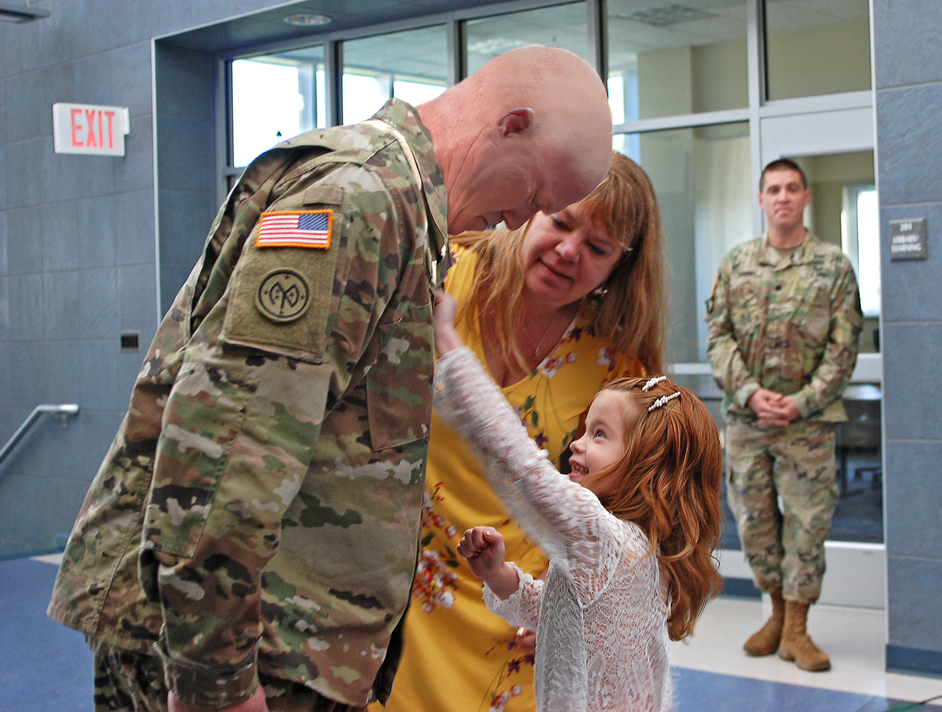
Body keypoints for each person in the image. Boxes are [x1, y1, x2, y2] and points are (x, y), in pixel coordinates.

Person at [46, 45, 613, 712]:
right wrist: (216, 682)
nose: (520, 220)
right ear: (512, 123)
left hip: (281, 646)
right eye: (536, 194)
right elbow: (227, 446)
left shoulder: (403, 217)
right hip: (241, 655)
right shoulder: (360, 202)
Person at [380, 153, 666, 712]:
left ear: (619, 268)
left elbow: (636, 512)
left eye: (598, 247)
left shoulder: (618, 369)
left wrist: (587, 608)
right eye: (561, 222)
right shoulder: (441, 275)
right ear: (531, 212)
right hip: (400, 591)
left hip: (521, 607)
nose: (568, 251)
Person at [431, 290, 724, 712]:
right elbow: (562, 616)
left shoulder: (602, 536)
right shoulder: (638, 546)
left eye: (600, 434)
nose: (576, 444)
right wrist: (498, 575)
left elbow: (515, 456)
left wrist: (447, 341)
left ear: (647, 464)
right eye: (585, 429)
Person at [705, 158, 862, 672]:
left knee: (807, 526)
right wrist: (750, 393)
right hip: (748, 424)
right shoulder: (737, 264)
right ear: (761, 199)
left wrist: (801, 401)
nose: (783, 197)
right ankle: (774, 614)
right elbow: (719, 336)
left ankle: (798, 628)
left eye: (792, 188)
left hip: (807, 427)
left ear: (806, 197)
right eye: (773, 189)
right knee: (754, 524)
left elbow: (844, 348)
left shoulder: (833, 267)